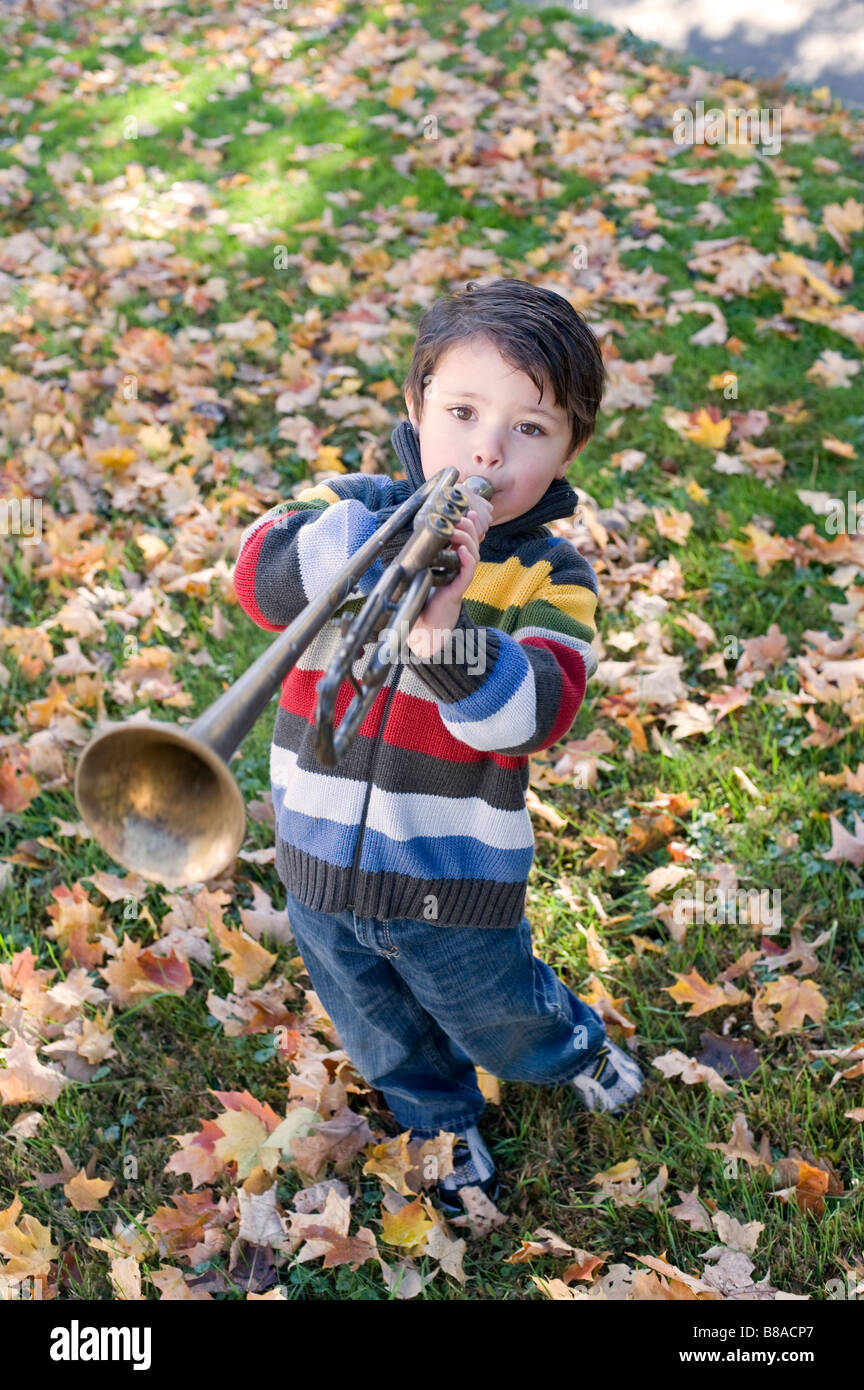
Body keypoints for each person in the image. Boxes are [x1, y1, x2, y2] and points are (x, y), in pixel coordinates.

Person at [232, 278, 644, 1214]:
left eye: (530, 430)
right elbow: (259, 573)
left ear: (571, 451)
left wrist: (446, 629)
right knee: (379, 1028)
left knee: (497, 1015)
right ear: (416, 408)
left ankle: (569, 1043)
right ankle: (437, 1119)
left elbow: (536, 711)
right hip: (318, 862)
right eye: (461, 412)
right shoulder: (347, 508)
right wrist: (372, 542)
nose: (487, 450)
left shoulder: (552, 576)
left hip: (454, 881)